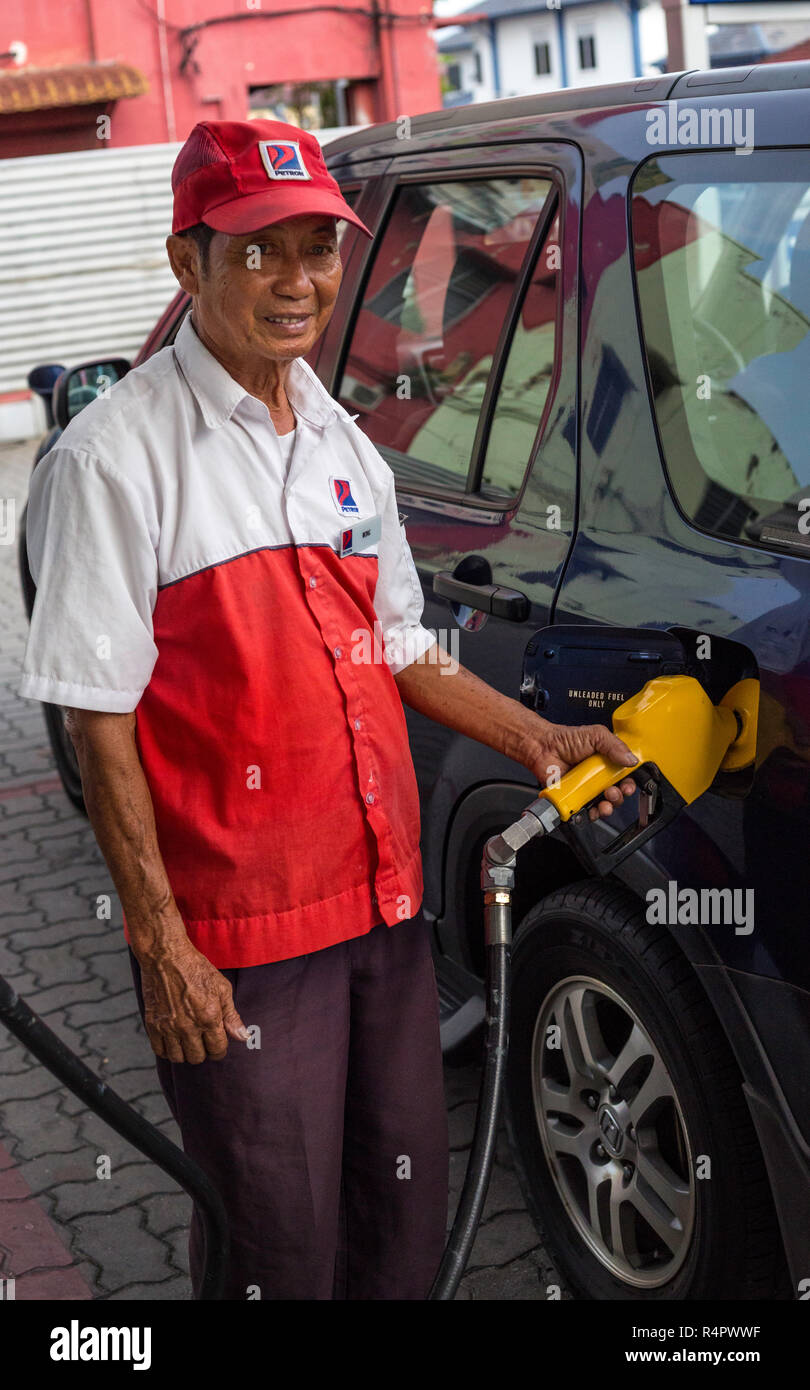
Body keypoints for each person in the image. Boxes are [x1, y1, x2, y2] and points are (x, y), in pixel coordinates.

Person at [18, 118, 637, 1300]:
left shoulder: (347, 444)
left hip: (384, 908)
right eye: (260, 251)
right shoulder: (112, 462)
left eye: (319, 248)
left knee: (400, 1212)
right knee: (278, 1241)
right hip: (241, 947)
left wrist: (540, 740)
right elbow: (100, 726)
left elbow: (398, 641)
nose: (298, 281)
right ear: (186, 263)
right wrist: (162, 952)